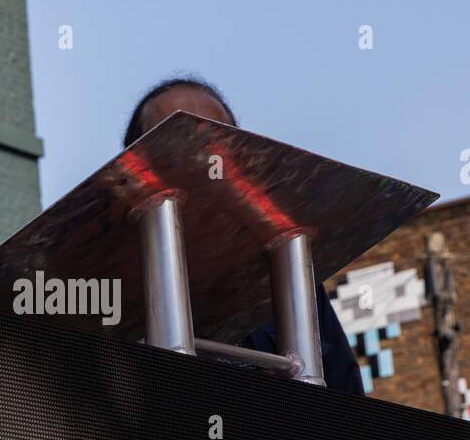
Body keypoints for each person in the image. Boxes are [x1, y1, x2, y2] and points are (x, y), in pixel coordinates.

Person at [122, 77, 365, 396]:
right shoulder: (100, 289)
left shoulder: (289, 275)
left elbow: (348, 405)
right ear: (134, 165)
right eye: (175, 134)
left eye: (215, 137)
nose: (201, 153)